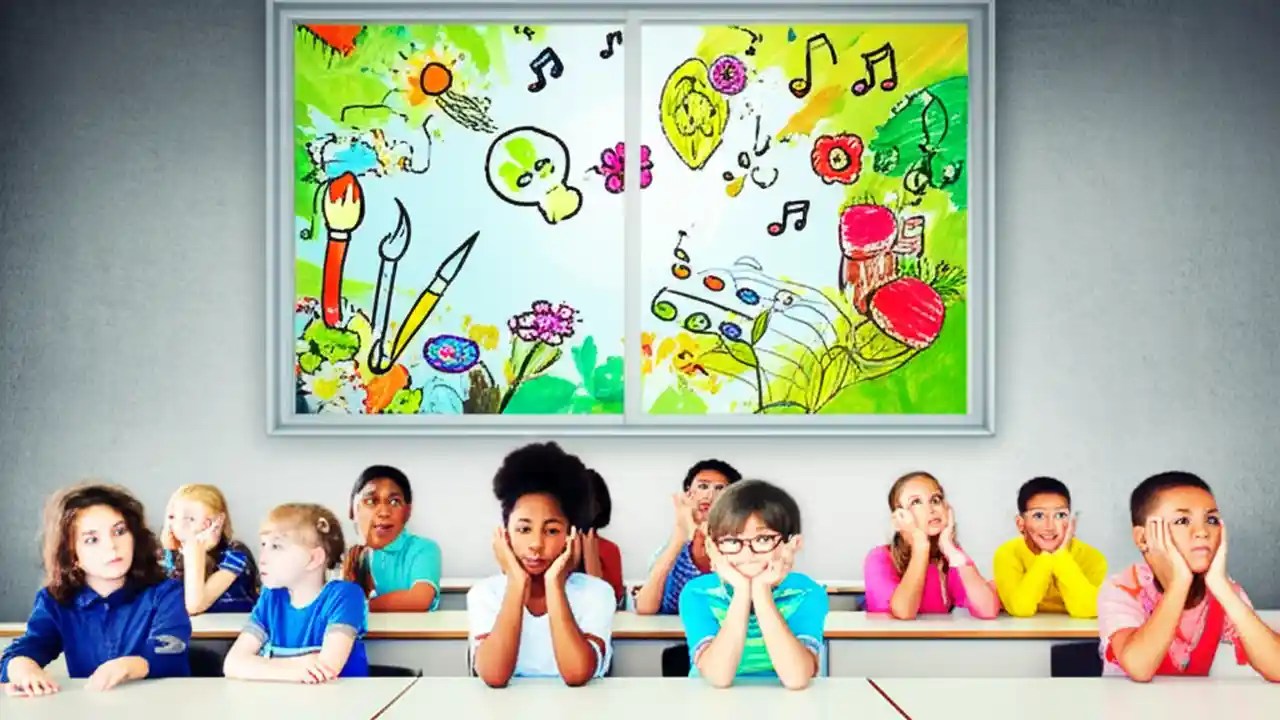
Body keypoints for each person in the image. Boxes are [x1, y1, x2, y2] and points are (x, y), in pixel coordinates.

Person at [1, 484, 191, 696]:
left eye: (119, 531)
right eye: (92, 539)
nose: (111, 545)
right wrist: (23, 667)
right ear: (72, 556)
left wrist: (129, 666)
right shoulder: (55, 600)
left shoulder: (165, 592)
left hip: (163, 705)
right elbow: (30, 646)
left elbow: (170, 649)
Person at [1097, 471, 1280, 681]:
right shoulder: (1123, 588)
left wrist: (1222, 587)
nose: (1202, 531)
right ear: (1143, 538)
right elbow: (1139, 667)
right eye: (1183, 520)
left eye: (1211, 519)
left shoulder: (1221, 589)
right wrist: (1179, 582)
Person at [468, 442, 615, 687]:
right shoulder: (485, 594)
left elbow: (577, 673)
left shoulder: (596, 593)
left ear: (571, 535)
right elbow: (494, 675)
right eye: (524, 529)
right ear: (506, 535)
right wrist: (516, 582)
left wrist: (554, 584)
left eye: (552, 530)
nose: (536, 543)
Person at [679, 480, 828, 689]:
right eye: (732, 541)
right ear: (712, 546)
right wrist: (742, 590)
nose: (747, 555)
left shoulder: (806, 592)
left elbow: (796, 679)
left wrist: (761, 591)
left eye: (763, 540)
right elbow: (718, 677)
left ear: (792, 543)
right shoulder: (698, 593)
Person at [222, 503, 369, 682]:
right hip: (287, 702)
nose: (263, 557)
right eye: (263, 545)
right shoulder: (271, 597)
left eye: (276, 546)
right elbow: (232, 663)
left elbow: (326, 669)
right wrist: (296, 668)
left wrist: (260, 665)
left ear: (314, 558)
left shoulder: (345, 596)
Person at [863, 471, 1000, 619]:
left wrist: (950, 549)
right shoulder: (879, 558)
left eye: (935, 500)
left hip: (936, 641)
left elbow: (988, 610)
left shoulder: (947, 557)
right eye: (916, 502)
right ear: (899, 518)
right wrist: (920, 545)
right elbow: (903, 613)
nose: (931, 509)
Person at [634, 459, 743, 616]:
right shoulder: (671, 547)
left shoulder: (744, 547)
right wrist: (679, 535)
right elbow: (645, 608)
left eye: (720, 489)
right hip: (673, 636)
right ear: (688, 493)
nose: (709, 495)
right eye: (703, 486)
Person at [992, 476, 1106, 617]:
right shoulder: (1007, 554)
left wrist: (1061, 556)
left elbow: (1089, 610)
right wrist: (1046, 556)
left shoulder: (1092, 557)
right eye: (1038, 516)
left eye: (1060, 515)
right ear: (1020, 524)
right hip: (1025, 636)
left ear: (1070, 522)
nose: (1050, 527)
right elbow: (1020, 608)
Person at [341, 465, 442, 612]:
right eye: (370, 501)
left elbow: (419, 599)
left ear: (408, 512)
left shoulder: (423, 549)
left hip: (412, 633)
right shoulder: (351, 555)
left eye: (394, 502)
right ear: (353, 510)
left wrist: (359, 607)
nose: (383, 512)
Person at [161, 483, 260, 614]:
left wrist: (196, 550)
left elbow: (194, 606)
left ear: (217, 522)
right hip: (190, 632)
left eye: (190, 519)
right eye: (172, 517)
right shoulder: (172, 555)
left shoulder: (235, 554)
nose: (179, 525)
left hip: (230, 632)